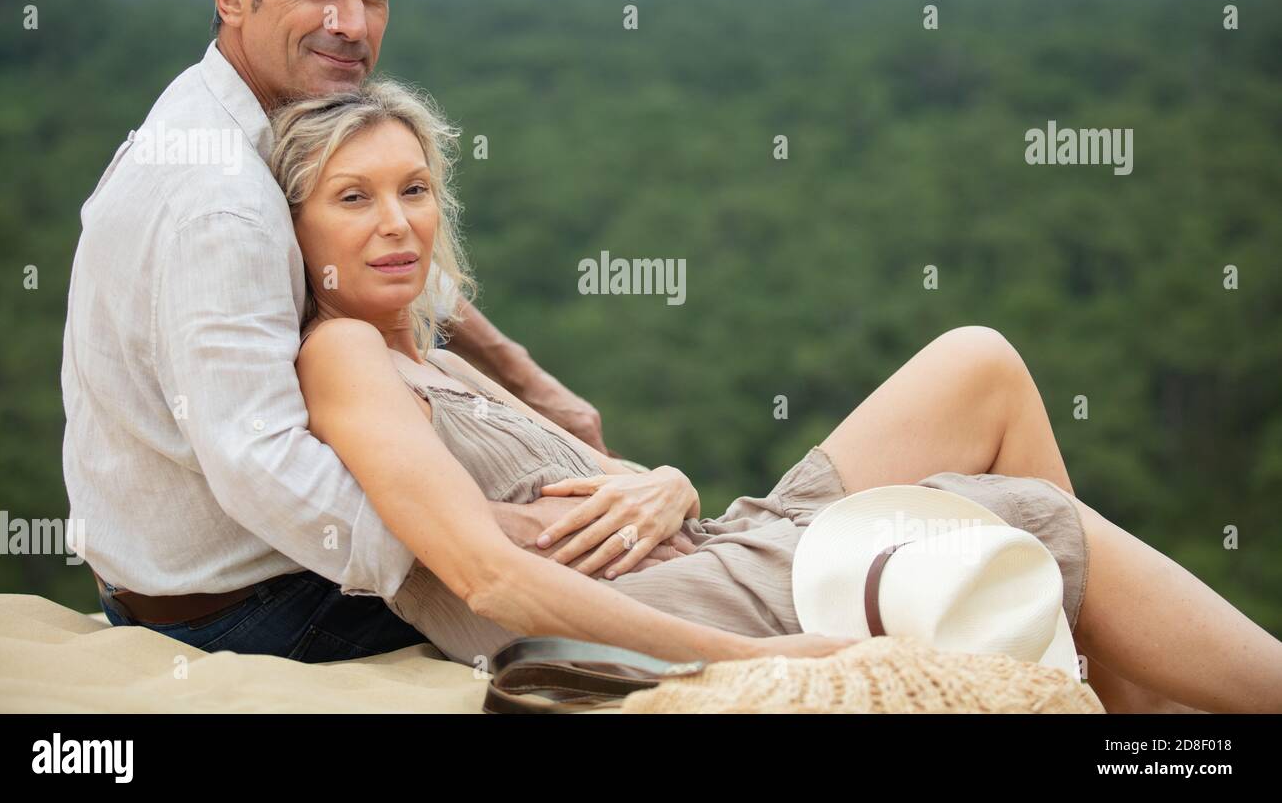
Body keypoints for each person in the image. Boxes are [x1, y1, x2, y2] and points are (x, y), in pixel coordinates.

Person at [270, 78, 1282, 712]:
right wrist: (751, 656)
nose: (395, 221)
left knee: (978, 360)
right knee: (1038, 519)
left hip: (708, 546)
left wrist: (663, 478)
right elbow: (489, 582)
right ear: (297, 232)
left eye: (411, 188)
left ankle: (1117, 691)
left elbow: (606, 480)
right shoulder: (343, 354)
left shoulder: (435, 354)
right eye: (352, 198)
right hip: (660, 605)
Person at [60, 0, 636, 664]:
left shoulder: (241, 111)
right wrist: (482, 540)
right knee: (644, 576)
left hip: (230, 575)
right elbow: (259, 462)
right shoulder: (223, 200)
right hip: (245, 608)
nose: (354, 25)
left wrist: (532, 382)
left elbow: (371, 249)